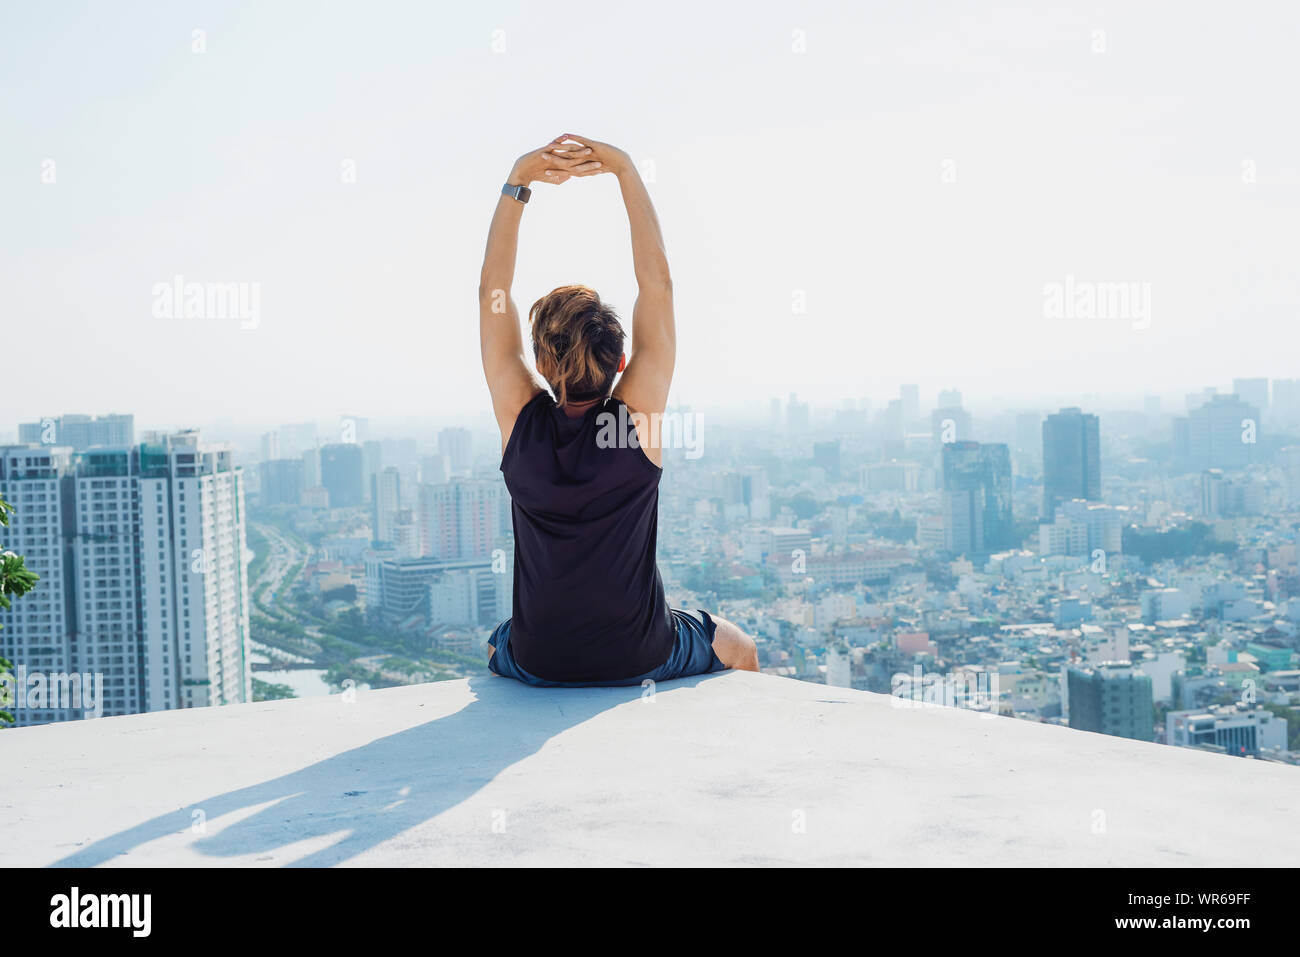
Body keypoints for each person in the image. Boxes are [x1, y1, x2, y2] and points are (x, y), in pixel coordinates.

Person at [477, 133, 759, 687]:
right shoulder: (635, 424)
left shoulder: (519, 422)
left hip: (539, 659)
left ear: (539, 361)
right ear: (622, 360)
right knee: (740, 647)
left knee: (495, 645)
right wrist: (625, 171)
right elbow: (658, 283)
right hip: (639, 655)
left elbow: (492, 289)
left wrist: (520, 180)